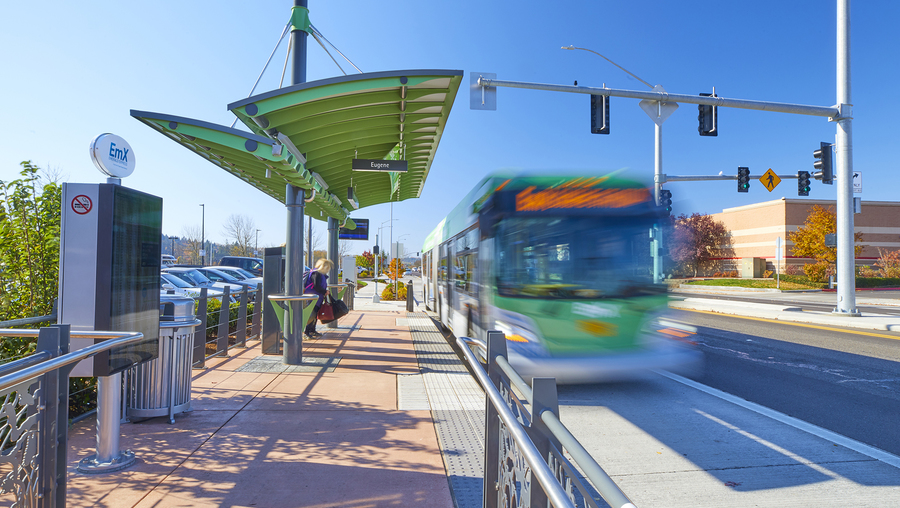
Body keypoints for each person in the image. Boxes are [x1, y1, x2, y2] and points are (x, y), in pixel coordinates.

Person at [304, 258, 333, 338]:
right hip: (312, 297)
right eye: (327, 267)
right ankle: (307, 332)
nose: (328, 270)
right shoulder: (316, 273)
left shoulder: (318, 274)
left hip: (316, 297)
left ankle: (312, 330)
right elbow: (316, 286)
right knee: (311, 314)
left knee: (314, 314)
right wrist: (324, 292)